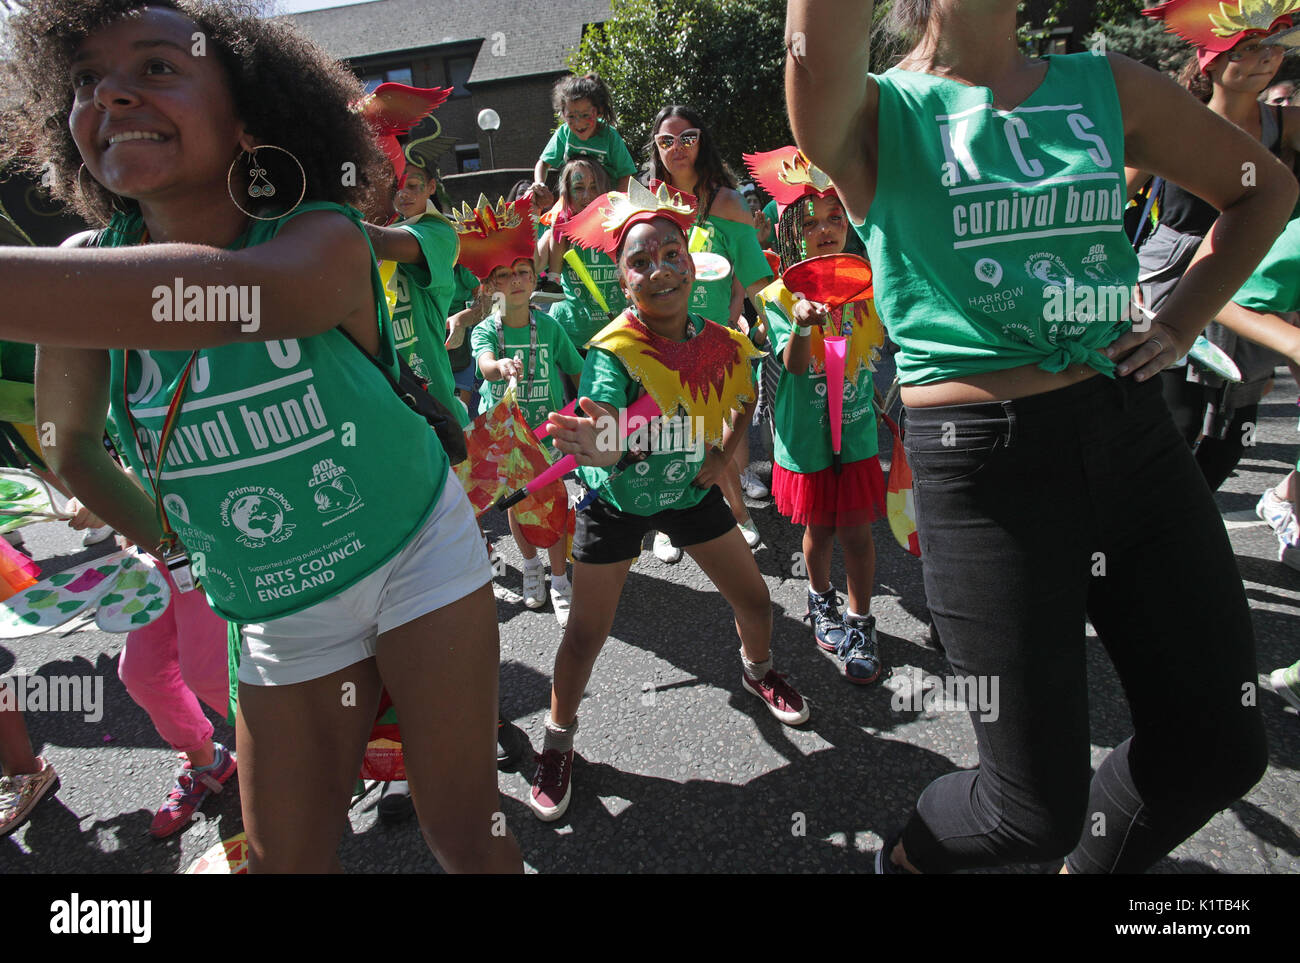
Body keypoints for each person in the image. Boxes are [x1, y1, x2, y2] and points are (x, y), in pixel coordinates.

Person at [3, 0, 520, 873]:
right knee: (286, 858)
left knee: (465, 826)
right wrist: (175, 540)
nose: (114, 96)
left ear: (248, 115)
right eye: (87, 81)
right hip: (276, 606)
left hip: (414, 554)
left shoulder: (320, 233)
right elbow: (69, 444)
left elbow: (240, 296)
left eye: (157, 68)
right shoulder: (82, 273)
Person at [788, 0, 1291, 873]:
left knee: (1221, 748)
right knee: (1027, 812)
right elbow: (819, 35)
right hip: (986, 470)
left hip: (1131, 433)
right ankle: (904, 863)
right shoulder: (870, 112)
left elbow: (1264, 192)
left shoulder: (1110, 87)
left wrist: (1177, 323)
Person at [528, 181, 809, 822]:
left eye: (670, 255)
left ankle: (757, 669)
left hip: (687, 494)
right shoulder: (614, 353)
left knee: (757, 600)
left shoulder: (723, 340)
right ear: (623, 281)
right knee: (584, 637)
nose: (659, 270)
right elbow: (606, 428)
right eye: (640, 262)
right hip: (619, 504)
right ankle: (558, 737)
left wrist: (722, 457)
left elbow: (743, 399)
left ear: (691, 261)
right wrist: (607, 447)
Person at [1129, 1, 1300, 491]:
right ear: (1214, 63)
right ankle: (1147, 531)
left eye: (1271, 47)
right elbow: (1104, 201)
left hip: (1247, 271)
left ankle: (1189, 521)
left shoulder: (1283, 124)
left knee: (1232, 428)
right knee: (1173, 419)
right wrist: (1116, 272)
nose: (1266, 58)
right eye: (1249, 49)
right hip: (1169, 277)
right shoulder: (1175, 124)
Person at [748, 146, 887, 684]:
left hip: (854, 433)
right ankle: (820, 597)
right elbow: (796, 365)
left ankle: (859, 618)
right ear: (790, 232)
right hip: (806, 435)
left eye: (836, 217)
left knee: (857, 531)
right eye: (811, 222)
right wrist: (804, 321)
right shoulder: (781, 295)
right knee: (820, 530)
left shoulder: (864, 283)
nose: (826, 229)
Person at [647, 106, 774, 556]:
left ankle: (737, 514)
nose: (676, 148)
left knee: (716, 438)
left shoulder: (727, 203)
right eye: (666, 141)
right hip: (661, 342)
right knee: (670, 440)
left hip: (716, 342)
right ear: (656, 150)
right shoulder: (648, 204)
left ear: (702, 142)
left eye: (687, 137)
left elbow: (757, 276)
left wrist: (791, 318)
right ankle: (669, 524)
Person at [463, 193, 584, 623]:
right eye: (505, 276)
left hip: (545, 433)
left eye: (522, 272)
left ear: (534, 278)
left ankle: (559, 579)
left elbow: (577, 368)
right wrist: (500, 365)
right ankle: (530, 568)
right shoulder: (485, 330)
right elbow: (484, 365)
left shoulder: (549, 327)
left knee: (553, 501)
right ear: (491, 287)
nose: (515, 280)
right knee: (517, 505)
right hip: (506, 436)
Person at [538, 158, 628, 356]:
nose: (587, 196)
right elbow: (531, 268)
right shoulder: (558, 232)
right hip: (570, 340)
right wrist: (534, 212)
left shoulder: (623, 227)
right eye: (578, 188)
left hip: (617, 336)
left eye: (594, 187)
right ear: (566, 193)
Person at [531, 73, 636, 207]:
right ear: (563, 114)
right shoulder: (565, 133)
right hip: (573, 203)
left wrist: (616, 205)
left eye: (586, 115)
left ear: (599, 111)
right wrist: (539, 183)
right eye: (571, 116)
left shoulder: (609, 136)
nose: (579, 122)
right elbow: (543, 163)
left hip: (603, 203)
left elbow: (626, 174)